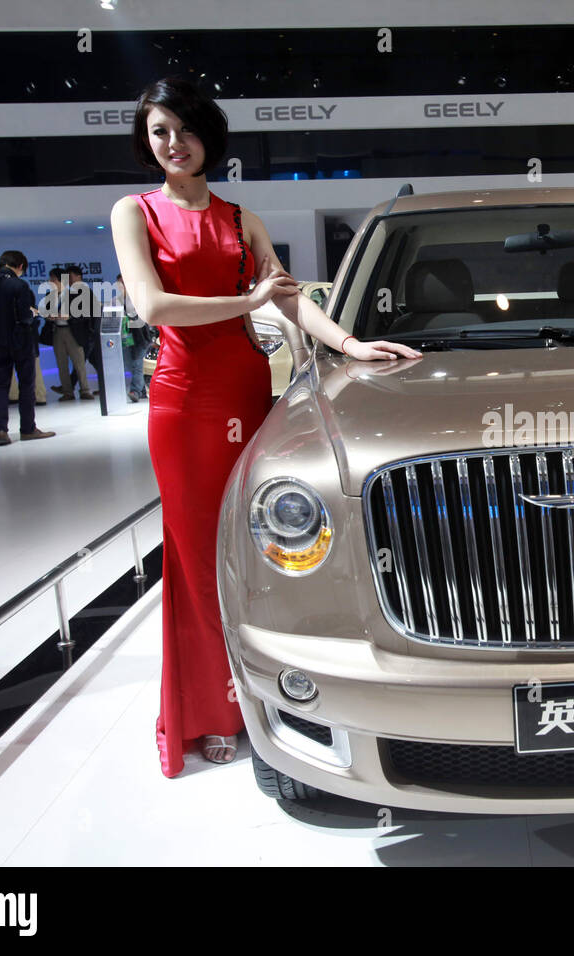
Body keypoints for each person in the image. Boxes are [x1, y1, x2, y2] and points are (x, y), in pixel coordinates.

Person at [109, 76, 420, 777]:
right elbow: (153, 306)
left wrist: (351, 344)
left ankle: (267, 695)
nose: (174, 143)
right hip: (184, 401)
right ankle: (213, 712)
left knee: (255, 549)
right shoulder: (135, 212)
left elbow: (287, 300)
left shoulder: (240, 218)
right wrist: (246, 301)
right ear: (146, 141)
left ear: (207, 135)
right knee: (197, 558)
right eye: (159, 132)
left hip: (246, 391)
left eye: (185, 129)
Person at [0, 250, 56, 446]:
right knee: (26, 385)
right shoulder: (19, 285)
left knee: (1, 385)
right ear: (20, 266)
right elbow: (25, 316)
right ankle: (28, 429)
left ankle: (1, 431)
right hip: (20, 341)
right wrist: (34, 314)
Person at [44, 268, 94, 400]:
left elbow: (86, 313)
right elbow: (45, 312)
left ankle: (85, 390)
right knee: (61, 363)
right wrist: (49, 317)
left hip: (73, 331)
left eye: (53, 279)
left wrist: (70, 316)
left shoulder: (75, 294)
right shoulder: (50, 296)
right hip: (57, 331)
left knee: (79, 362)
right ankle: (67, 392)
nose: (50, 282)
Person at [116, 275, 149, 401]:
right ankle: (142, 390)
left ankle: (135, 391)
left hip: (140, 336)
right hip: (125, 337)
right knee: (130, 364)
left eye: (123, 283)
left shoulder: (138, 300)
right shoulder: (117, 301)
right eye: (119, 283)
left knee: (137, 364)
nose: (121, 286)